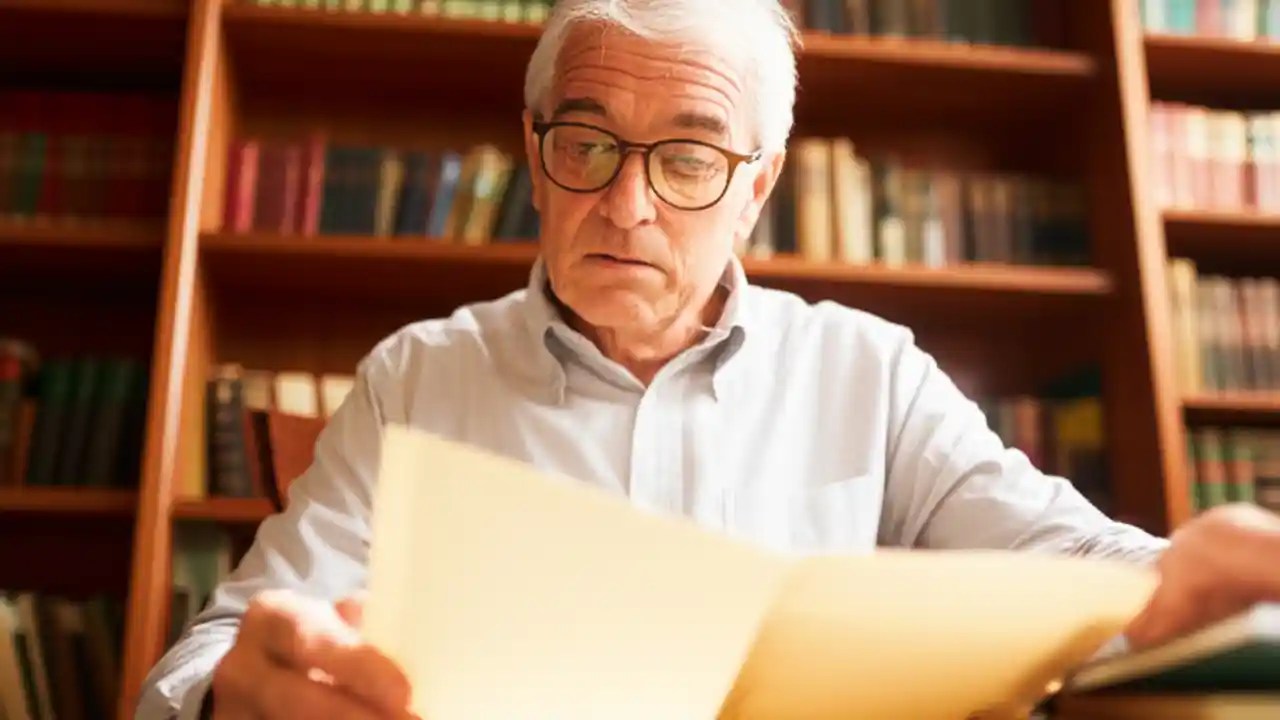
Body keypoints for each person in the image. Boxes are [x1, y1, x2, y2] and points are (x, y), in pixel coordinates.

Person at [137, 0, 1280, 717]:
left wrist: (1186, 589)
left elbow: (1072, 567)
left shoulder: (865, 371)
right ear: (534, 161)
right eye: (585, 145)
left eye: (686, 160)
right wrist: (233, 699)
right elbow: (208, 662)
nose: (626, 205)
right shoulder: (418, 376)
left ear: (755, 189)